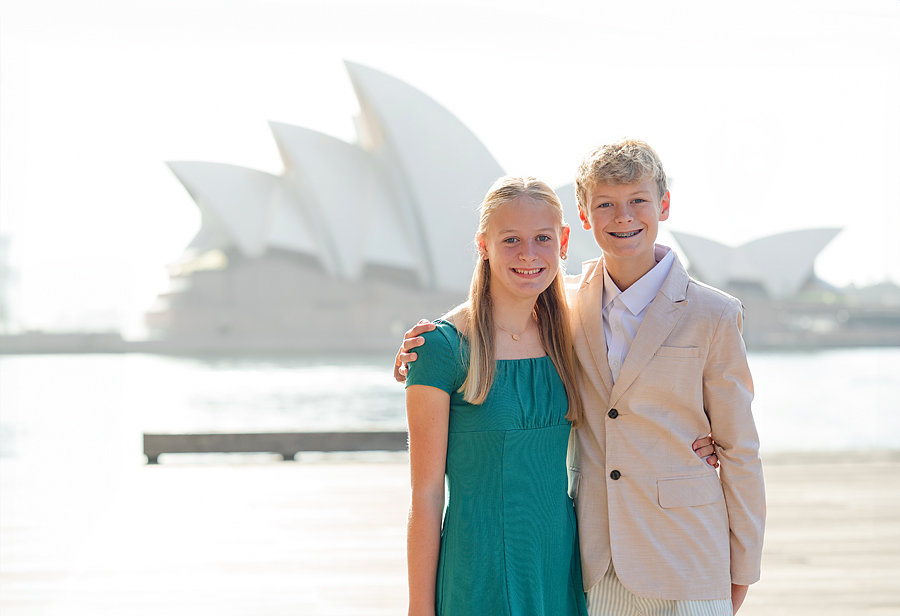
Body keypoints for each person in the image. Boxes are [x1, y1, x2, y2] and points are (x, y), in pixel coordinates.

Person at [398, 139, 764, 615]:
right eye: (606, 205)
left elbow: (741, 450)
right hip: (589, 563)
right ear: (586, 217)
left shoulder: (711, 314)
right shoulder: (568, 308)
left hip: (684, 558)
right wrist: (426, 343)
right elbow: (492, 315)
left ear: (664, 205)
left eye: (637, 202)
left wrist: (742, 571)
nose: (623, 217)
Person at [404, 176, 587, 615]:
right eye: (511, 240)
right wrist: (418, 609)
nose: (528, 254)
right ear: (483, 244)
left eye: (542, 238)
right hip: (480, 571)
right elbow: (426, 495)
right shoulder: (442, 348)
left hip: (557, 566)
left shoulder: (575, 332)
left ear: (563, 241)